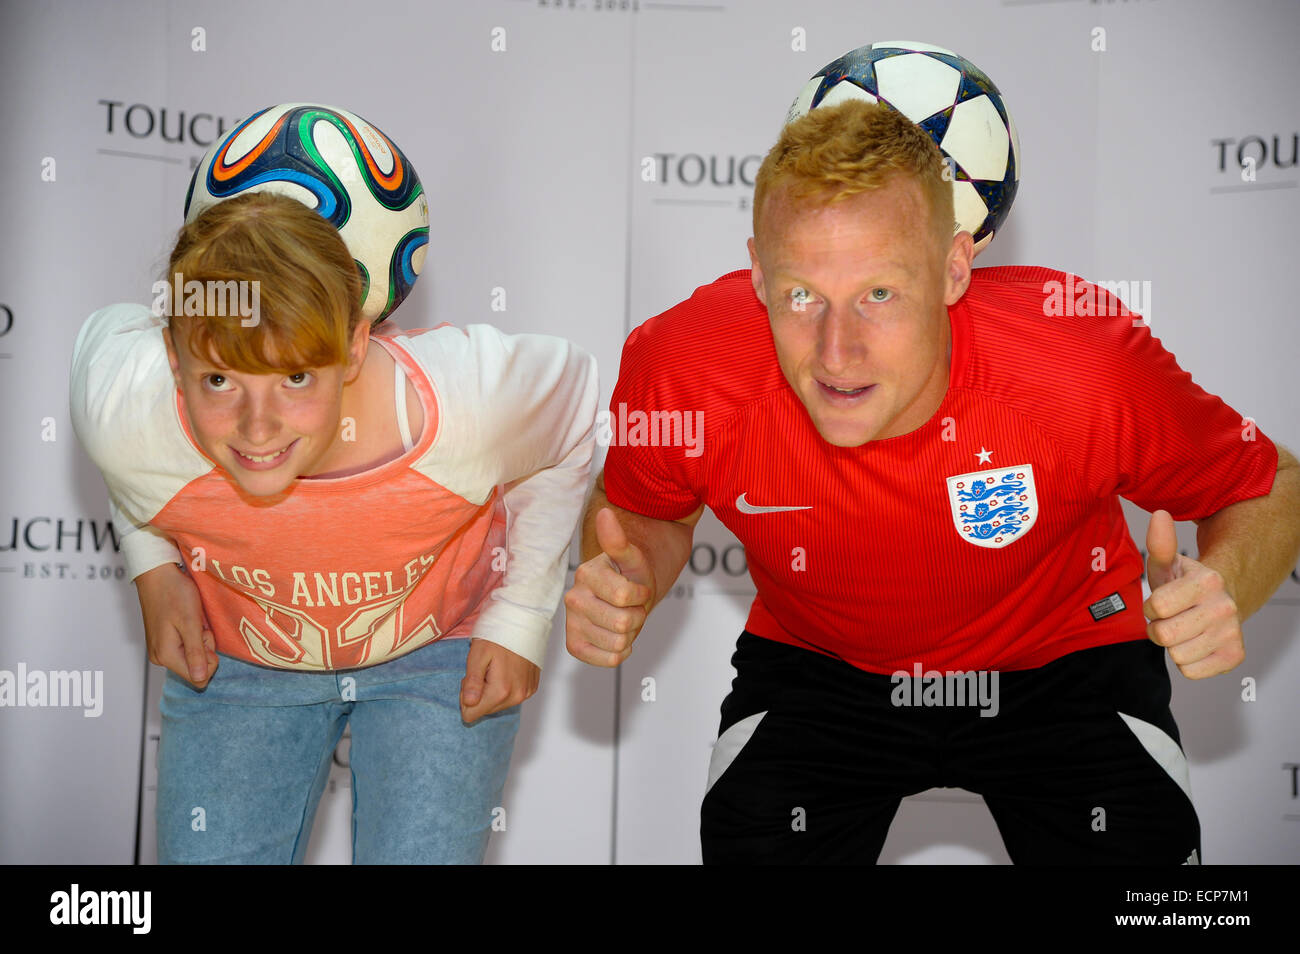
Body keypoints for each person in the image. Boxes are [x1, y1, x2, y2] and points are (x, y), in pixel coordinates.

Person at [563, 99, 1300, 864]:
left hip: (1064, 664)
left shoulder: (1079, 366)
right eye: (800, 295)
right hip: (825, 672)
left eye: (880, 294)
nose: (836, 353)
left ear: (955, 268)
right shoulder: (686, 366)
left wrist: (1228, 584)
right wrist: (631, 574)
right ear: (755, 271)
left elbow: (1271, 479)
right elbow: (641, 508)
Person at [70, 191, 598, 863]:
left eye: (295, 375)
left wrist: (519, 612)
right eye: (219, 381)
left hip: (438, 652)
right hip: (238, 655)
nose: (257, 428)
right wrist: (152, 558)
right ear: (171, 357)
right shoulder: (128, 410)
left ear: (353, 344)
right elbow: (106, 371)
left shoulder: (469, 403)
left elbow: (578, 404)